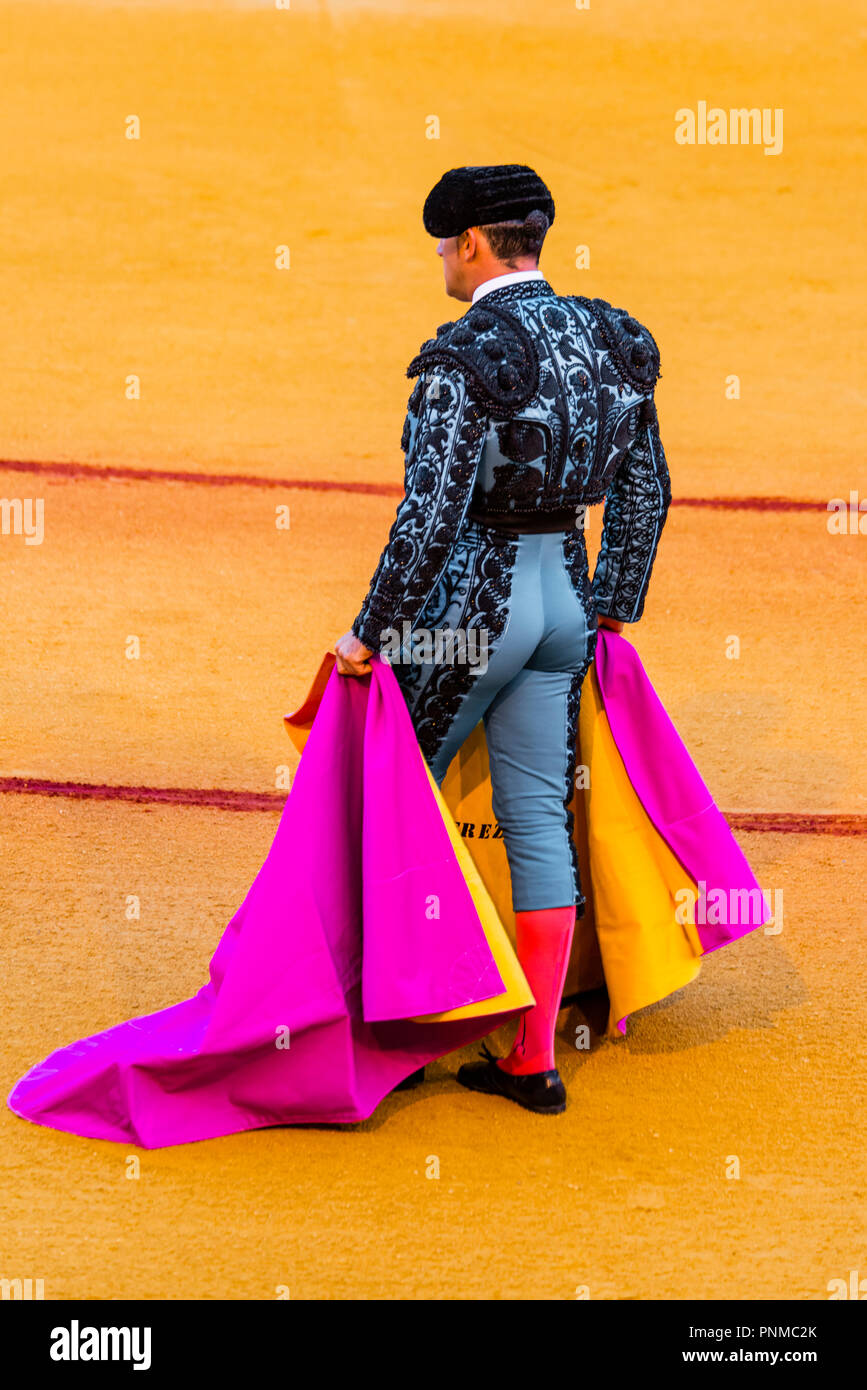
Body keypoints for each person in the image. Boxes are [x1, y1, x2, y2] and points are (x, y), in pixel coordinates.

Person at [334, 164, 671, 1114]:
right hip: (564, 599)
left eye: (447, 246)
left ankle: (377, 1031)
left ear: (475, 246)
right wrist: (609, 604)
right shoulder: (611, 337)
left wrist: (369, 634)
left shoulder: (460, 357)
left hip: (462, 617)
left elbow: (431, 515)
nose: (444, 261)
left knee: (385, 798)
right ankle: (534, 1058)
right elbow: (645, 491)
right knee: (535, 822)